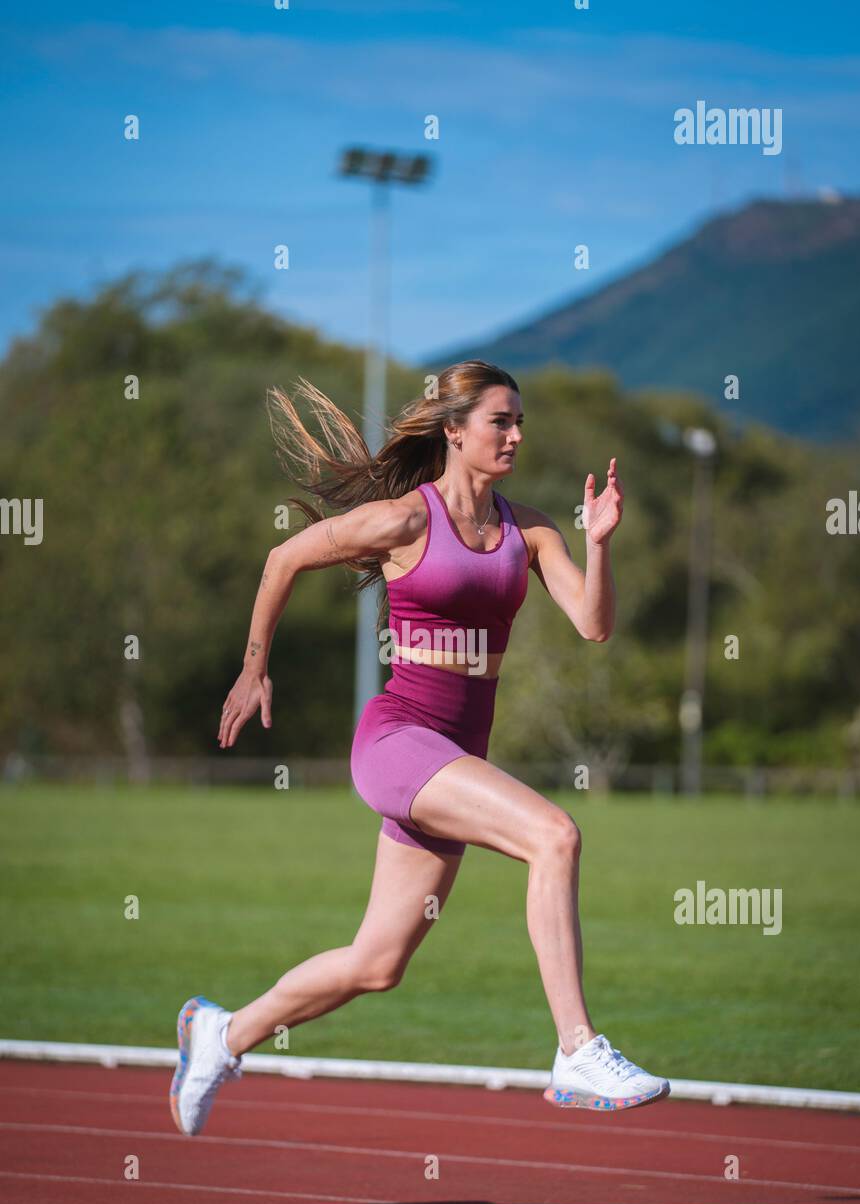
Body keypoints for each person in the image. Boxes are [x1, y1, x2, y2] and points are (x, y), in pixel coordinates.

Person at [170, 361, 670, 1137]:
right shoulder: (405, 519)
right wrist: (253, 666)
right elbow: (283, 559)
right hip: (400, 741)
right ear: (454, 430)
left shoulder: (530, 530)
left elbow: (594, 625)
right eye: (500, 420)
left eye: (520, 421)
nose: (515, 434)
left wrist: (600, 543)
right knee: (554, 836)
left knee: (377, 964)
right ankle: (577, 1046)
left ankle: (221, 1034)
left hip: (454, 758)